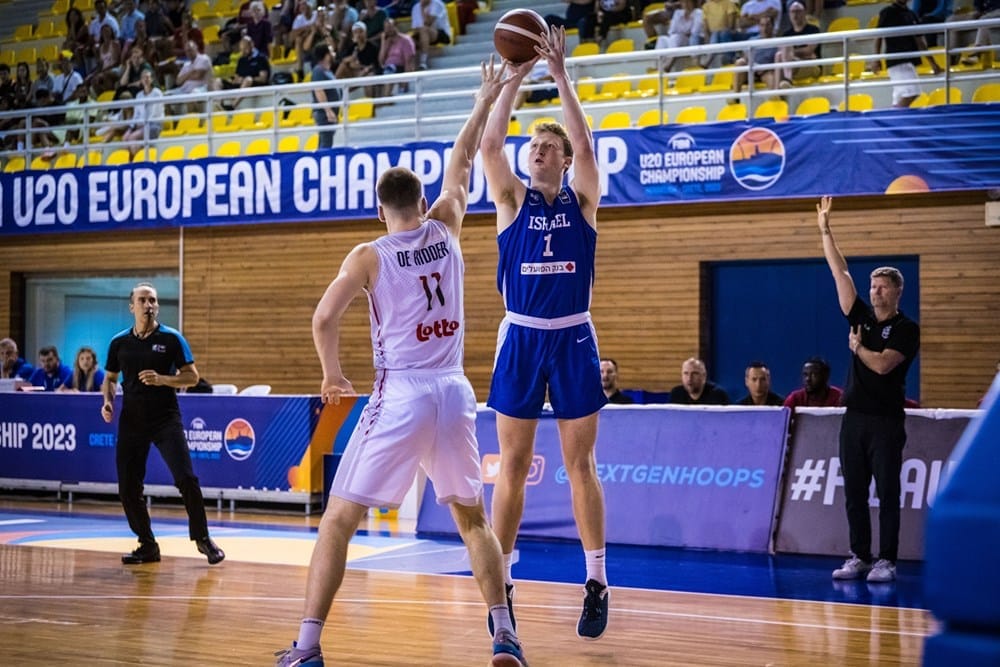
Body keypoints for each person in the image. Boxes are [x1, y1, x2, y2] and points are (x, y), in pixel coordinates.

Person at [274, 58, 527, 667]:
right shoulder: (448, 226)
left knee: (337, 519)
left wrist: (333, 374)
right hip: (455, 390)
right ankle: (504, 634)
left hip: (402, 390)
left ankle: (306, 647)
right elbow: (462, 161)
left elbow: (322, 319)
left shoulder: (368, 254)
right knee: (473, 520)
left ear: (379, 208)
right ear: (422, 200)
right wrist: (488, 96)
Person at [480, 25, 610, 641]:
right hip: (523, 336)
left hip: (574, 336)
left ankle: (596, 581)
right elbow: (488, 149)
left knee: (579, 464)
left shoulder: (581, 201)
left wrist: (560, 76)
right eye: (532, 145)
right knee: (512, 463)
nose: (536, 149)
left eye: (545, 145)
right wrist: (513, 81)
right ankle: (501, 579)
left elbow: (586, 145)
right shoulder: (511, 200)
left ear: (560, 158)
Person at [817, 196, 920, 584]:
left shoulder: (907, 329)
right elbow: (839, 272)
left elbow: (881, 364)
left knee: (887, 493)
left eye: (882, 288)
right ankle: (859, 556)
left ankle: (886, 560)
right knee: (854, 492)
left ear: (896, 292)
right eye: (873, 287)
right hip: (854, 418)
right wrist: (826, 230)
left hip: (886, 422)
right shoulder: (860, 317)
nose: (874, 292)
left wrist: (857, 347)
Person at [100, 282, 225, 566]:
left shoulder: (171, 339)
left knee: (186, 479)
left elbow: (192, 377)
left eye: (153, 300)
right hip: (131, 421)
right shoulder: (119, 342)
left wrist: (163, 379)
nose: (149, 305)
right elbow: (109, 378)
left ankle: (203, 539)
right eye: (143, 300)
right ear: (132, 306)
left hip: (165, 419)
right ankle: (147, 544)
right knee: (128, 488)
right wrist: (107, 402)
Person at [870, 0, 942, 108]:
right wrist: (876, 59)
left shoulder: (911, 14)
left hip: (909, 59)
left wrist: (932, 62)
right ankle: (892, 117)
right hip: (896, 59)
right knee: (911, 93)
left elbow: (920, 40)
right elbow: (878, 36)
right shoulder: (887, 12)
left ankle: (893, 120)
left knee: (902, 96)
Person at [773, 1, 821, 89]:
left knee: (783, 53)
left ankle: (786, 81)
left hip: (810, 64)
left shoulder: (813, 30)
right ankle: (779, 89)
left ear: (804, 12)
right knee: (779, 55)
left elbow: (809, 50)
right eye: (792, 12)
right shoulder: (786, 34)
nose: (795, 15)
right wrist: (789, 55)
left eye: (798, 11)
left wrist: (789, 53)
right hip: (793, 63)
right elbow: (782, 53)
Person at [217, 34, 271, 109]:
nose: (243, 52)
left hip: (255, 85)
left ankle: (233, 105)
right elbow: (237, 76)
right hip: (241, 84)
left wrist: (247, 79)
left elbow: (263, 78)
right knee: (218, 81)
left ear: (251, 45)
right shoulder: (242, 59)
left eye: (245, 48)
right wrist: (237, 80)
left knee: (248, 79)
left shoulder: (261, 58)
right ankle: (219, 105)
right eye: (241, 49)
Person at [123, 66, 165, 154]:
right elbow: (136, 115)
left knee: (132, 138)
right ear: (141, 80)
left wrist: (143, 124)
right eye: (143, 78)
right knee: (125, 138)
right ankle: (132, 163)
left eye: (148, 77)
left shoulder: (157, 93)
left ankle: (135, 164)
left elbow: (155, 114)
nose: (145, 79)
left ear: (152, 80)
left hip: (154, 126)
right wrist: (131, 128)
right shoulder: (139, 95)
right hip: (141, 125)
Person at [656, 0, 704, 72]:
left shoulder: (698, 13)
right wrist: (682, 32)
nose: (686, 4)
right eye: (684, 2)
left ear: (693, 3)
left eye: (688, 2)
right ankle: (659, 68)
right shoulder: (678, 13)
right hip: (676, 41)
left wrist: (681, 32)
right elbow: (671, 31)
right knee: (662, 39)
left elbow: (694, 31)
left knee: (678, 37)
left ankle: (669, 63)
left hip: (690, 41)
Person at [310, 43, 340, 149]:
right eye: (331, 51)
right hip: (324, 114)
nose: (333, 54)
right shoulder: (318, 70)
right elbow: (319, 91)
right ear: (326, 55)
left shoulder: (327, 71)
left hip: (329, 112)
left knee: (325, 141)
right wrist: (328, 110)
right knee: (326, 142)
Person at [411, 0, 452, 70]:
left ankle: (423, 62)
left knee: (424, 30)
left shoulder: (437, 4)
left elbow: (428, 22)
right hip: (423, 33)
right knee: (407, 40)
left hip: (441, 33)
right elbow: (415, 28)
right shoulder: (415, 8)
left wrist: (422, 9)